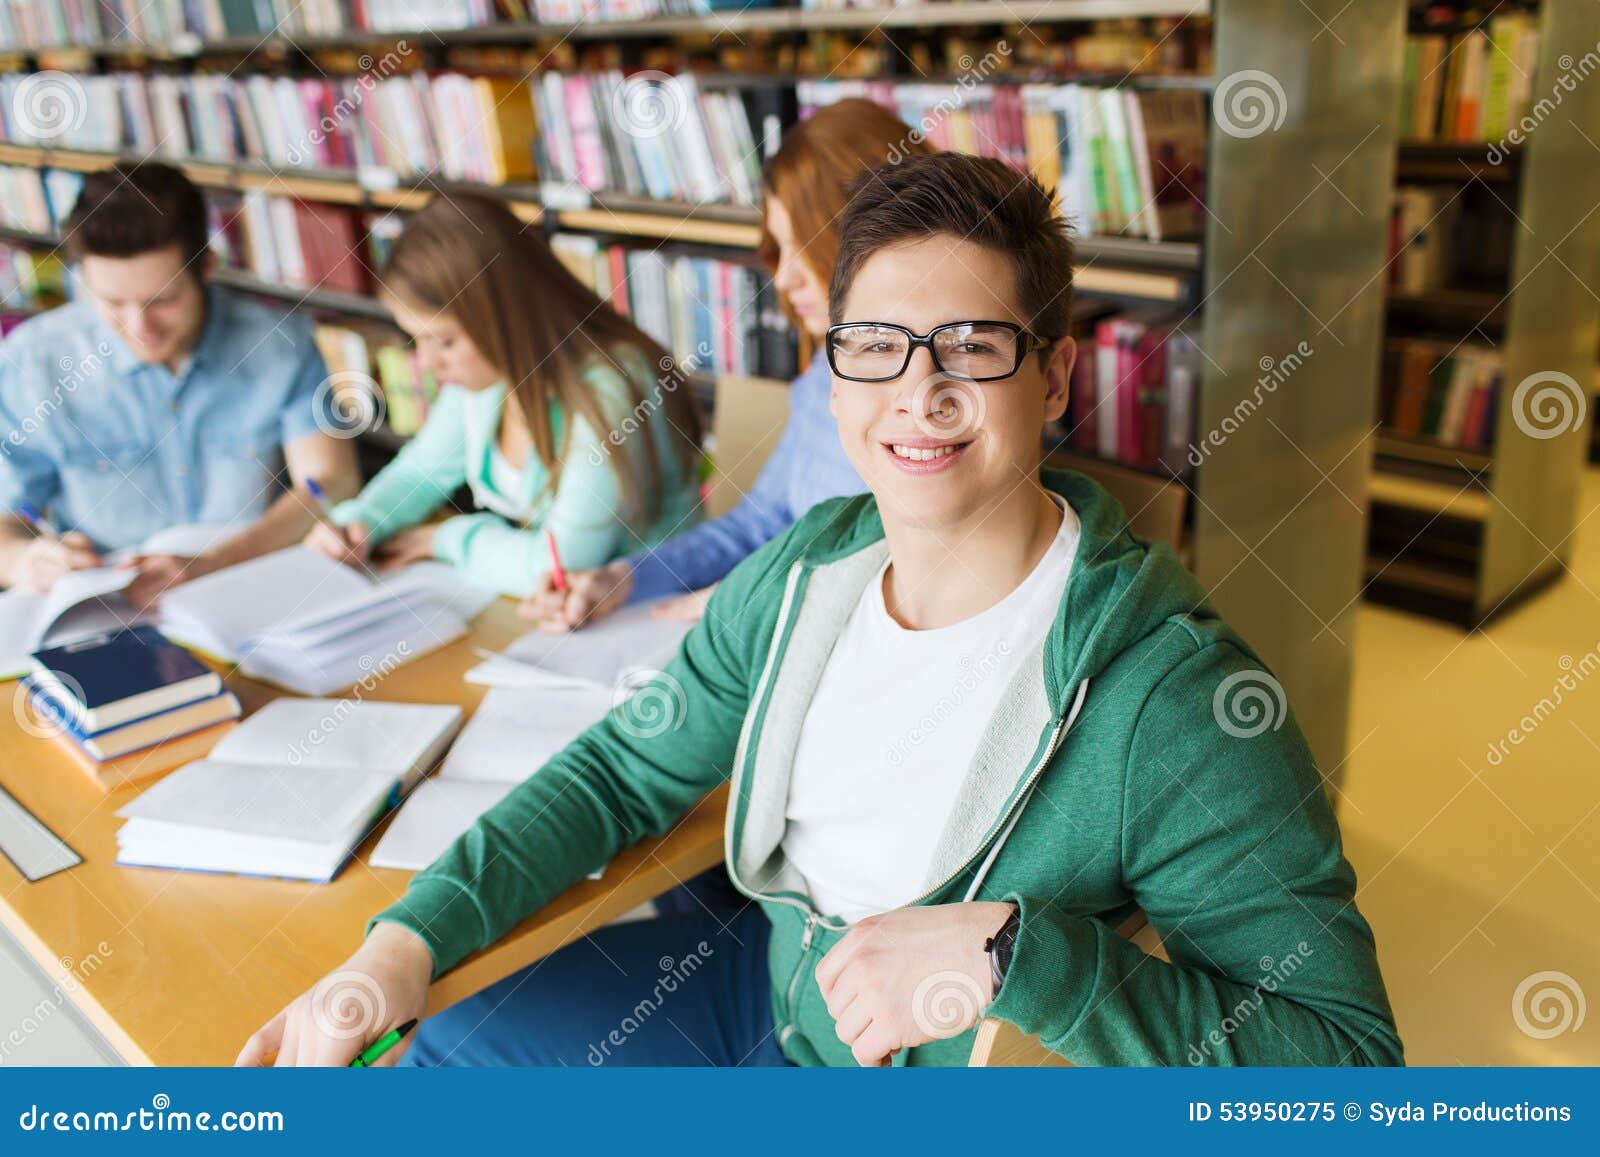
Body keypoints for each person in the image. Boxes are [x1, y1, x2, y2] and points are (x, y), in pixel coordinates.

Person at [239, 153, 1402, 1068]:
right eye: (875, 347)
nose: (919, 391)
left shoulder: (1174, 698)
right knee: (415, 1031)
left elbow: (1349, 1067)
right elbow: (618, 775)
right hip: (758, 990)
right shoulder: (812, 567)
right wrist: (404, 940)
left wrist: (1019, 956)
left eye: (973, 346)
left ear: (1052, 378)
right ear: (829, 370)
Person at [519, 98, 931, 630]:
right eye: (775, 251)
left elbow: (905, 567)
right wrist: (624, 578)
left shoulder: (942, 400)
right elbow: (759, 525)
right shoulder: (817, 383)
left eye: (802, 246)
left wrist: (742, 597)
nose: (782, 279)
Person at [304, 194, 703, 598]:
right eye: (416, 339)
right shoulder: (483, 378)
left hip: (648, 611)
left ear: (505, 319)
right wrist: (360, 521)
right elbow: (421, 471)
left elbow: (560, 566)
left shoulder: (609, 389)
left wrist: (445, 539)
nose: (425, 362)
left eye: (443, 341)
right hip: (557, 615)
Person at [0, 161, 361, 607]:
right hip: (106, 604)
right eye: (113, 302)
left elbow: (331, 480)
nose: (139, 326)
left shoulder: (279, 343)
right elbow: (7, 514)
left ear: (206, 268)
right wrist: (23, 558)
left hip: (247, 586)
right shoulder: (32, 360)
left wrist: (215, 564)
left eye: (163, 300)